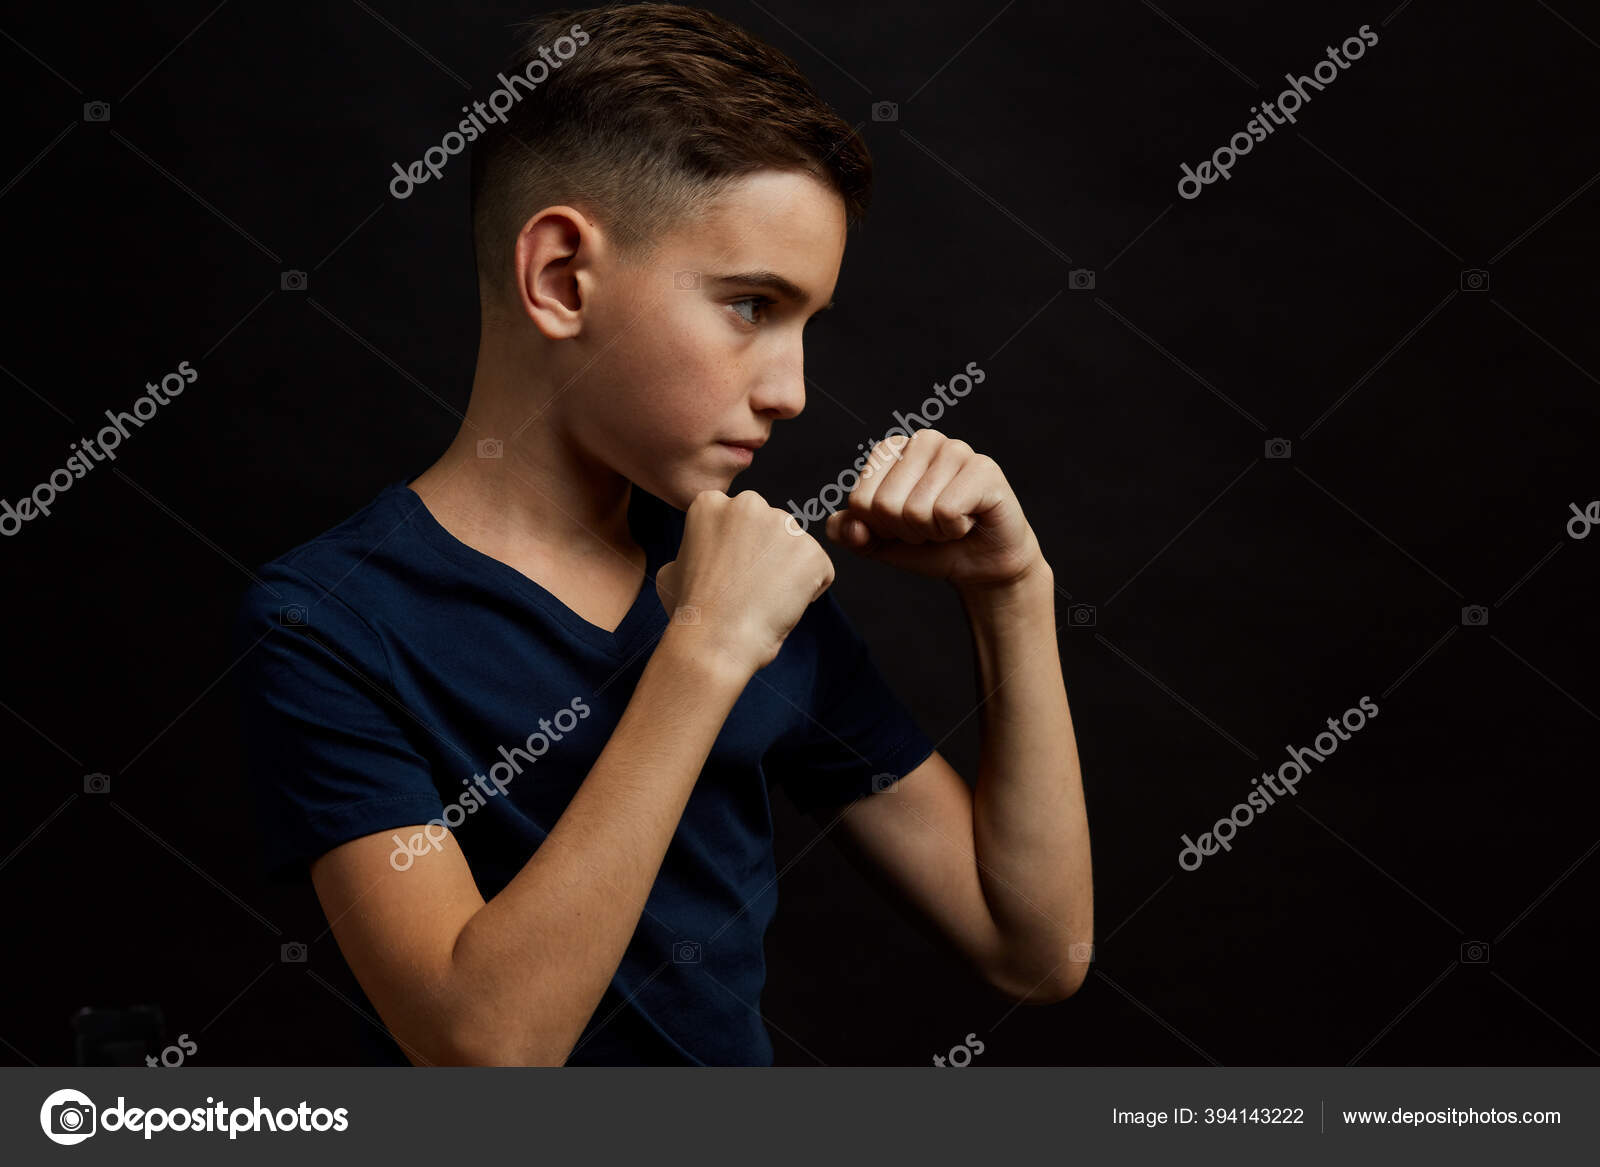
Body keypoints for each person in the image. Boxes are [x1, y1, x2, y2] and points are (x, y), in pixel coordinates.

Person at [230, 2, 1091, 1066]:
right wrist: (706, 652)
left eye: (805, 323)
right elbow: (486, 1053)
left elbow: (1036, 950)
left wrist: (1012, 594)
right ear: (560, 279)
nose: (791, 392)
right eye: (748, 305)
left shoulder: (750, 579)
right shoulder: (330, 623)